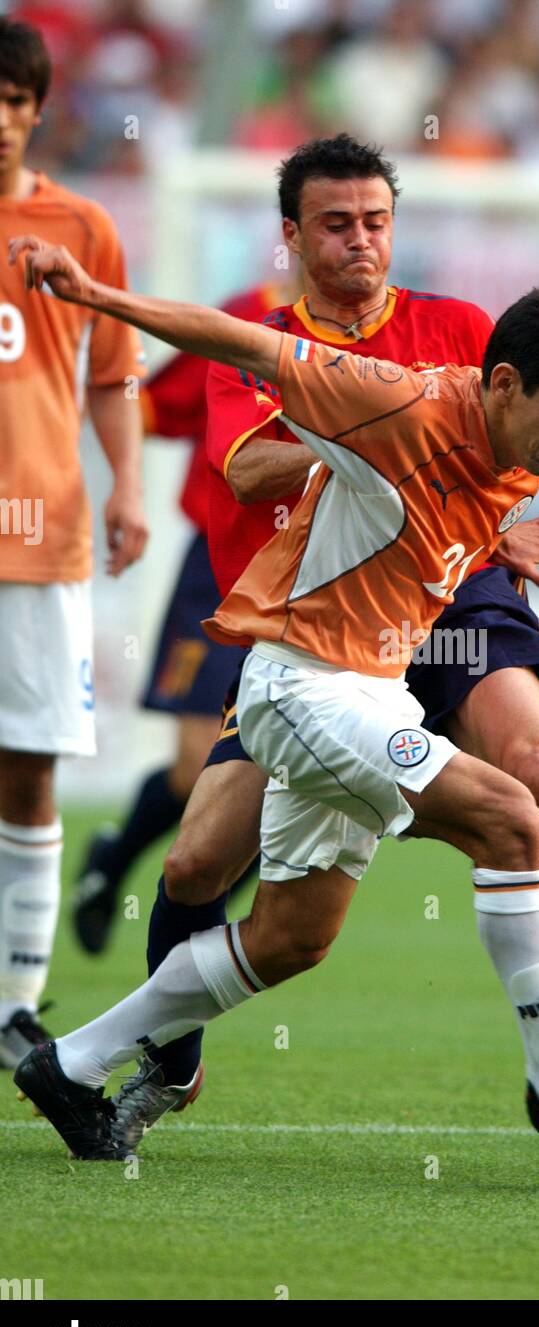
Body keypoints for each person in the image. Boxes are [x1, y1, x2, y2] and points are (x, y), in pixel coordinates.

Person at [8, 231, 539, 1165]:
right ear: (502, 384)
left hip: (372, 689)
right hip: (304, 688)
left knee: (290, 939)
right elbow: (239, 343)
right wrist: (92, 294)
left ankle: (70, 1065)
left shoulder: (528, 443)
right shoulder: (393, 400)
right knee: (512, 815)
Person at [0, 18, 146, 1068]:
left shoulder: (84, 227)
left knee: (28, 772)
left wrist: (130, 483)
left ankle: (15, 1002)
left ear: (37, 109)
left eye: (13, 101)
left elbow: (111, 376)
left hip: (42, 534)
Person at [71, 281, 286, 955]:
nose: (355, 243)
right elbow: (153, 407)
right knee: (200, 769)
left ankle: (201, 942)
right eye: (333, 222)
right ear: (297, 232)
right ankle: (115, 862)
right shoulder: (250, 317)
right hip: (221, 569)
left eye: (371, 223)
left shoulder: (386, 334)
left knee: (281, 785)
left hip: (326, 574)